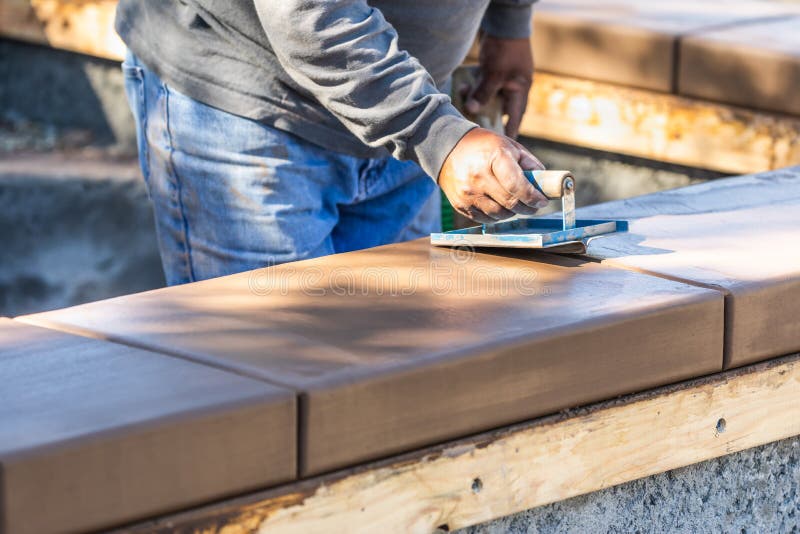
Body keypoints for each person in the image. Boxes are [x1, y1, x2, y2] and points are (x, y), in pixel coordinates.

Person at [116, 0, 548, 285]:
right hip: (248, 97)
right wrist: (434, 134)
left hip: (412, 98)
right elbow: (309, 14)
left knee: (392, 364)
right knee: (272, 377)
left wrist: (509, 20)